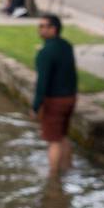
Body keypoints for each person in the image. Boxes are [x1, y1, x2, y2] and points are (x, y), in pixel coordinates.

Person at [31, 14, 77, 177]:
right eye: (40, 26)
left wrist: (36, 106)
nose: (40, 29)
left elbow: (42, 83)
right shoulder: (66, 46)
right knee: (63, 136)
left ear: (53, 29)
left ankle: (53, 178)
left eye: (44, 26)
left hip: (54, 101)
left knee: (53, 141)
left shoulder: (46, 52)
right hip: (70, 98)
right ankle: (68, 168)